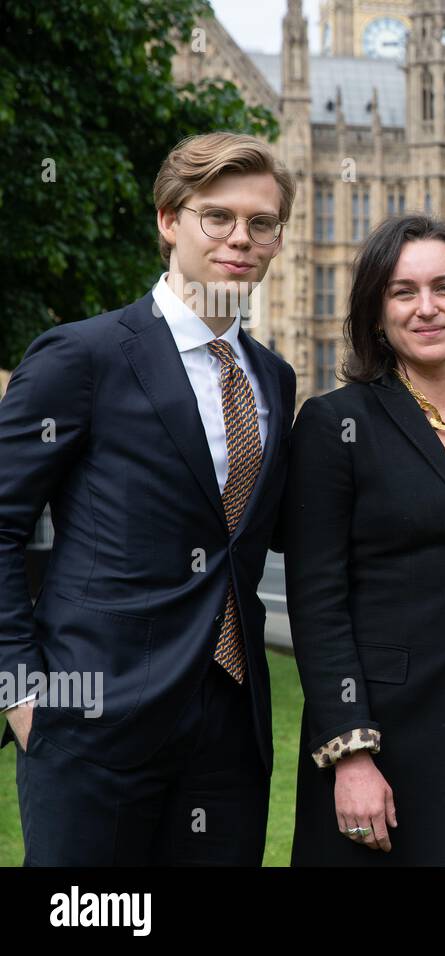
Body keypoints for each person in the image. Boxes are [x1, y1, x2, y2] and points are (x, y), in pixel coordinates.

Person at [0, 132, 297, 864]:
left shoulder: (273, 379)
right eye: (217, 217)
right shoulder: (84, 357)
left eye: (262, 224)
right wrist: (21, 696)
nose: (241, 239)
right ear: (169, 220)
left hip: (229, 730)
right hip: (91, 721)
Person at [284, 216, 445, 865]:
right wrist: (351, 752)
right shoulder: (335, 423)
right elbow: (317, 600)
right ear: (376, 313)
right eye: (403, 292)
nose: (427, 307)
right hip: (385, 746)